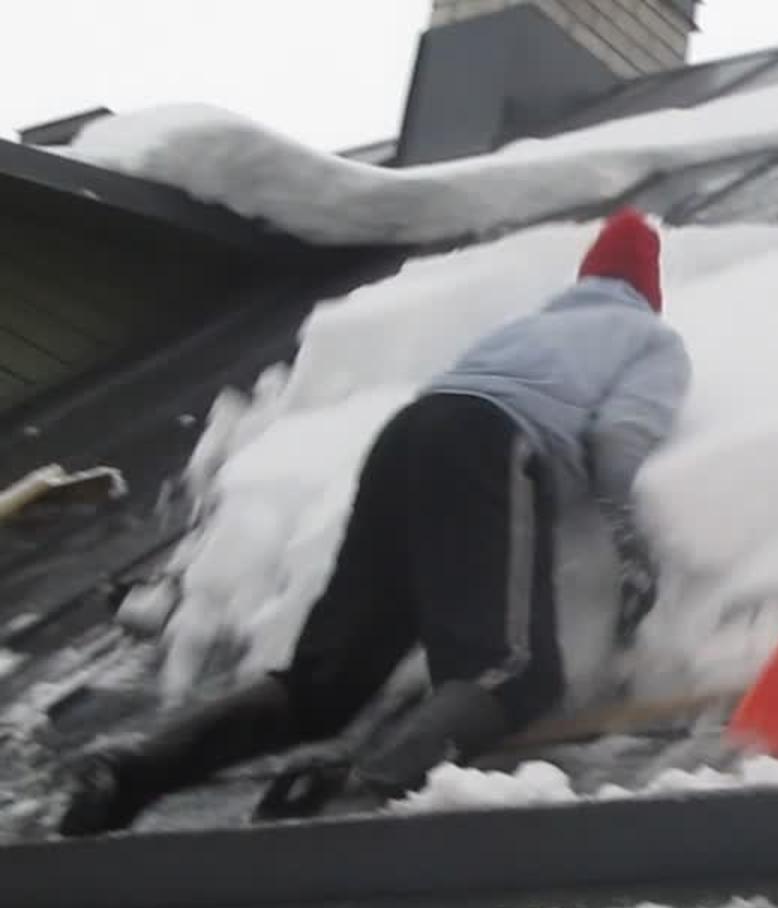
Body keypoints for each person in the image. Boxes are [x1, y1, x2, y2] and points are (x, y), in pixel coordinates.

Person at [58, 208, 691, 837]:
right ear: (649, 294)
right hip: (493, 441)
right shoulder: (651, 339)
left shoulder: (526, 330)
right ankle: (357, 796)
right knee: (514, 673)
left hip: (404, 440)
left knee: (323, 685)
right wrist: (625, 535)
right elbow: (618, 437)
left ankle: (135, 771)